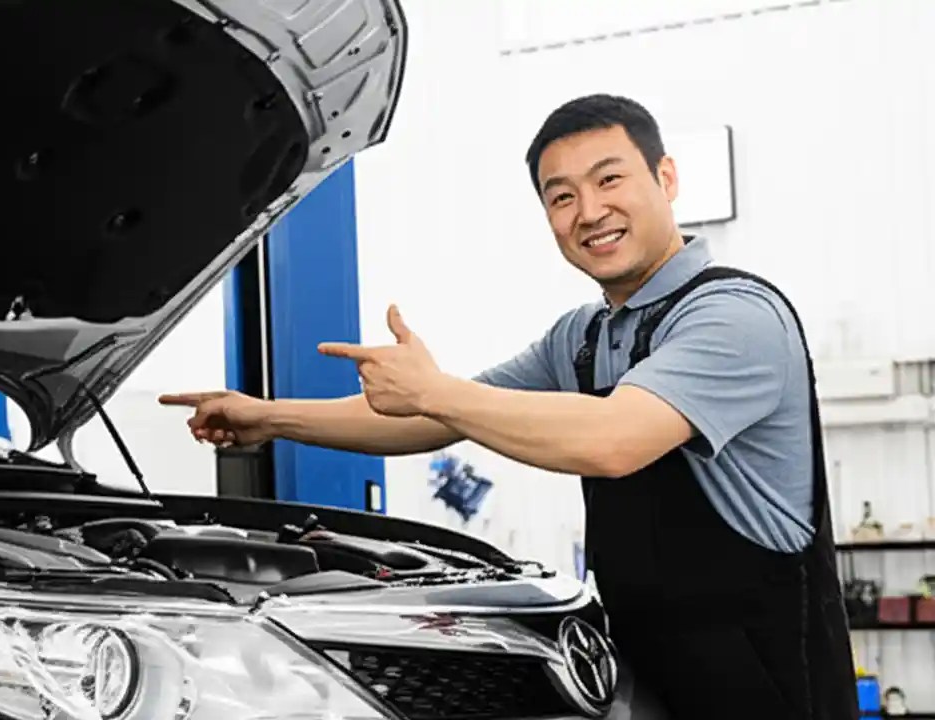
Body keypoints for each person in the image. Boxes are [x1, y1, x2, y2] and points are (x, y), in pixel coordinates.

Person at [160, 93, 858, 719]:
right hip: (649, 682)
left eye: (609, 179)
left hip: (770, 692)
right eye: (561, 196)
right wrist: (268, 416)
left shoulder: (734, 315)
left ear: (666, 179)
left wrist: (434, 389)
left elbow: (614, 440)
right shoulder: (583, 338)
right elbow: (434, 418)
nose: (589, 212)